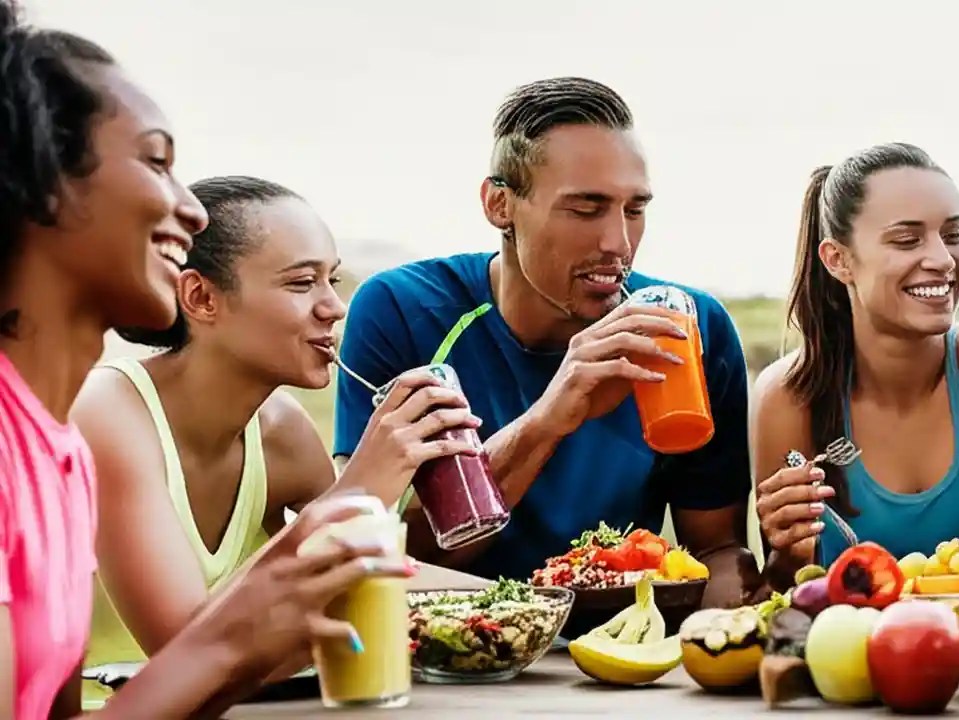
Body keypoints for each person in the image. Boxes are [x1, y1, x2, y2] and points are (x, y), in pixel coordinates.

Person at [0, 5, 406, 719]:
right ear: (43, 189)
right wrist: (233, 633)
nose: (191, 212)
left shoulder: (54, 449)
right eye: (157, 162)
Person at [334, 76, 760, 606]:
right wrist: (549, 419)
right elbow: (379, 558)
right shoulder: (401, 311)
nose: (618, 243)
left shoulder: (689, 328)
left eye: (634, 210)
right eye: (585, 209)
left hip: (619, 644)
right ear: (500, 205)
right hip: (450, 637)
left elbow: (716, 550)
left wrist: (725, 632)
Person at [71, 175, 481, 708]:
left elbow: (365, 577)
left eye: (332, 279)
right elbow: (181, 649)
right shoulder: (108, 413)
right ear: (201, 297)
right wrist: (359, 492)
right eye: (301, 283)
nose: (334, 307)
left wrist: (533, 603)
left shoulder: (283, 431)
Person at [751, 143, 959, 591]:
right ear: (838, 259)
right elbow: (789, 597)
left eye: (953, 234)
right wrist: (785, 557)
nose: (943, 259)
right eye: (907, 240)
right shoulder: (788, 396)